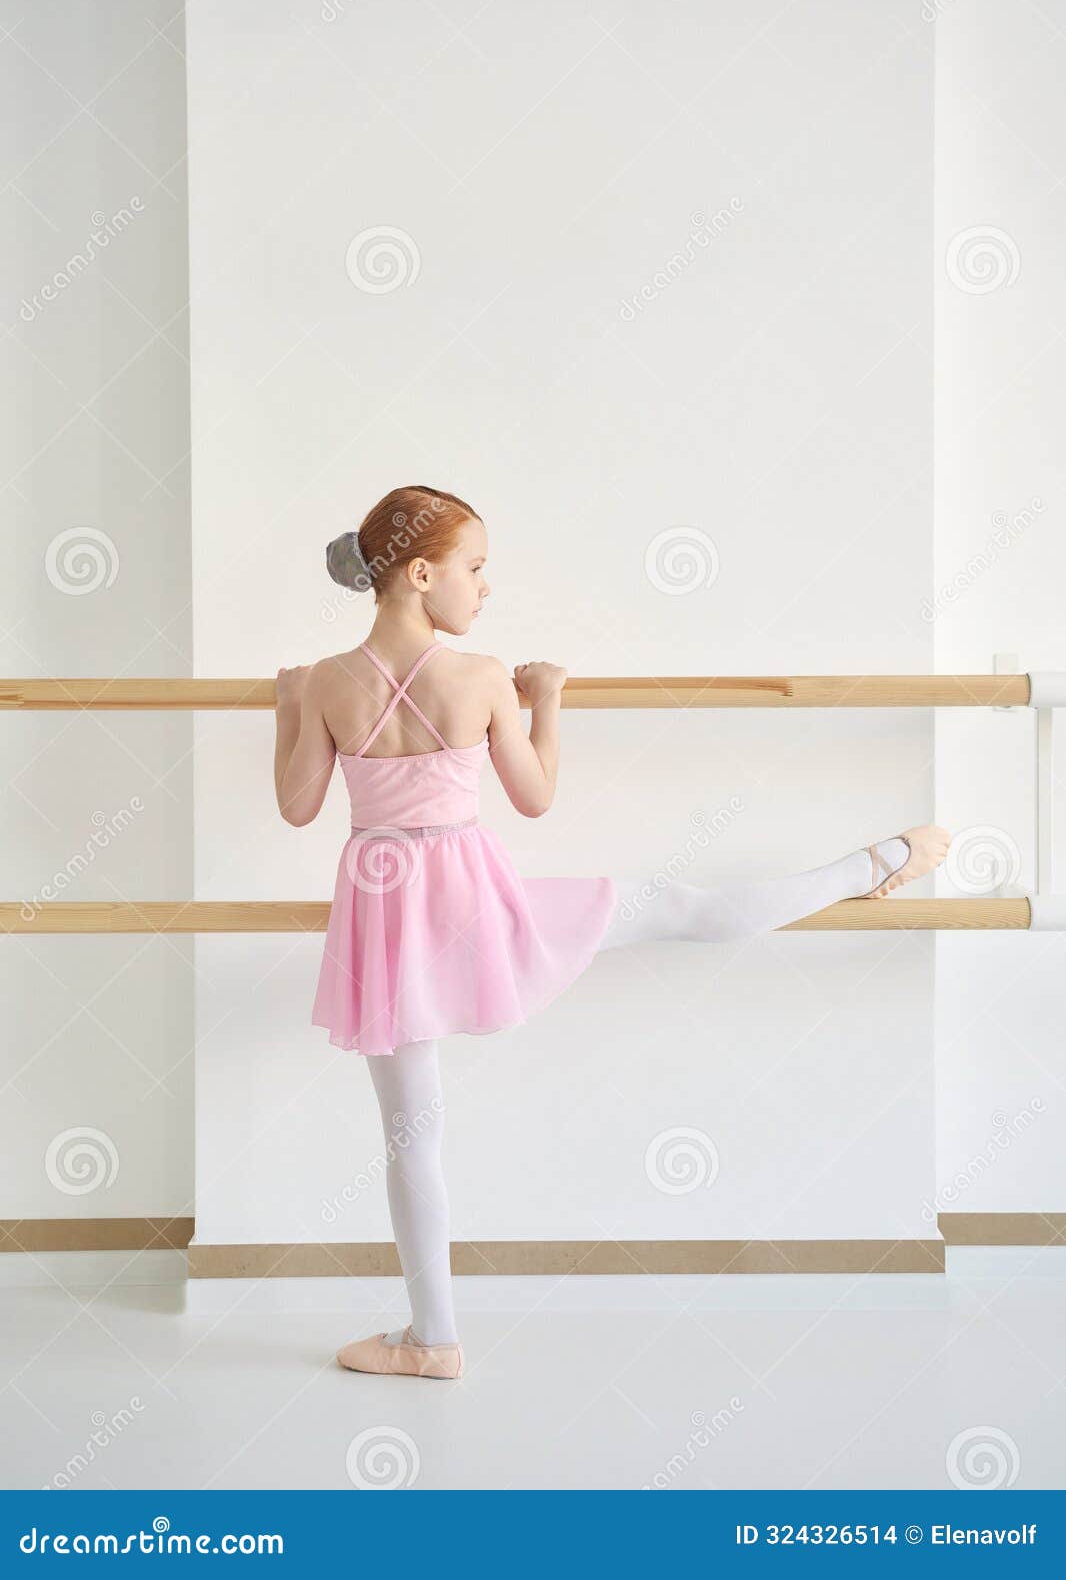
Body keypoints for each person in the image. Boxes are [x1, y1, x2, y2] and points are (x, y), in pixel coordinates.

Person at [273, 485, 951, 1381]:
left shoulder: (325, 680)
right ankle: (871, 866)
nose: (484, 588)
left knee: (411, 1133)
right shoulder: (479, 676)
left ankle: (433, 1340)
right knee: (676, 906)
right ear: (421, 571)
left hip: (380, 908)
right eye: (476, 569)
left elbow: (296, 808)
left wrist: (289, 707)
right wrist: (548, 699)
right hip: (472, 901)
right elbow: (535, 798)